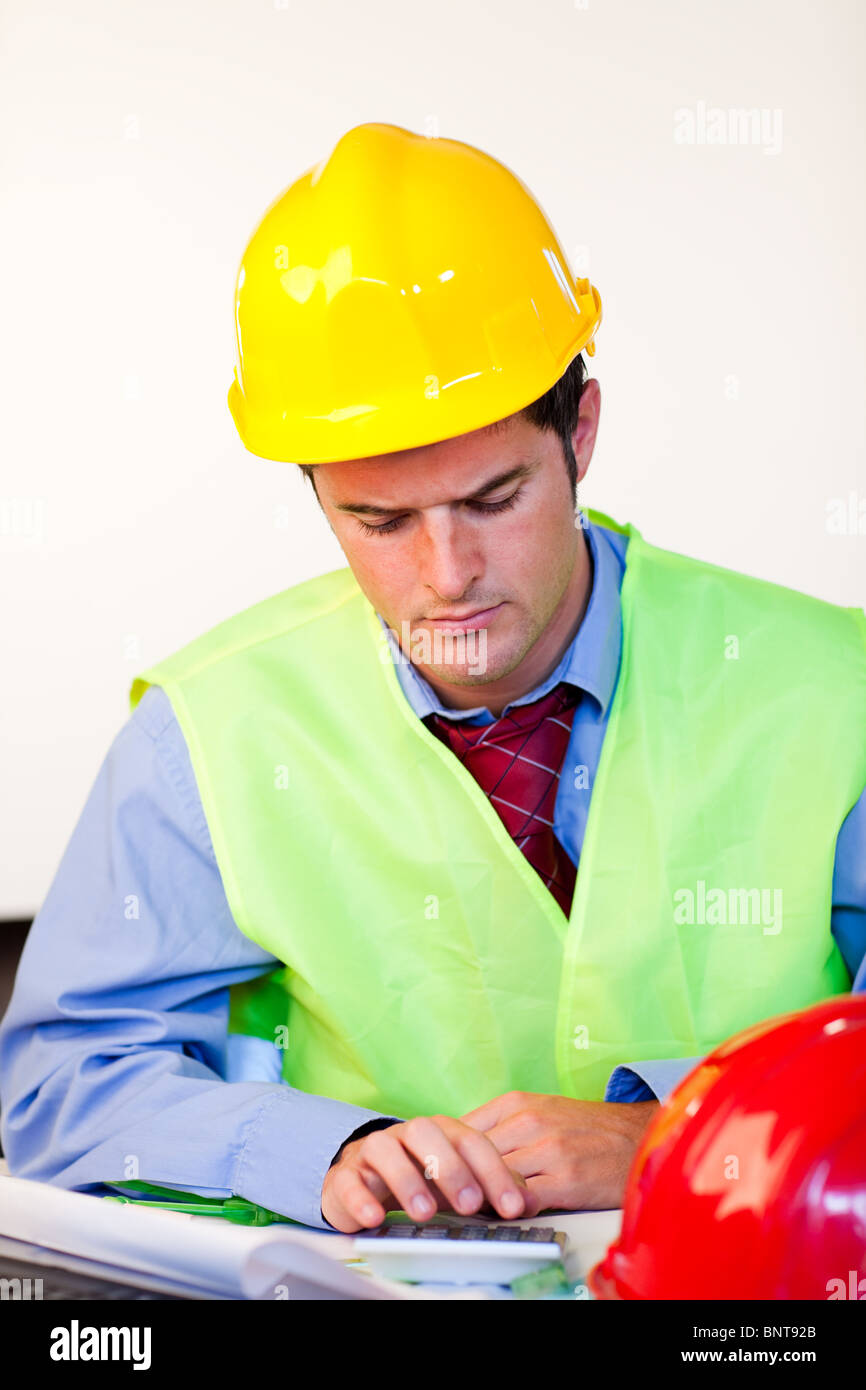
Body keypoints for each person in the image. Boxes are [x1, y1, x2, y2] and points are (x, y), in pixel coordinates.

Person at [1, 124, 864, 1237]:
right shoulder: (206, 733)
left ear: (580, 433)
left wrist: (685, 1127)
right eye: (379, 521)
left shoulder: (829, 685)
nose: (445, 576)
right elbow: (60, 1084)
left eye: (493, 499)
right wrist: (324, 1152)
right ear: (315, 493)